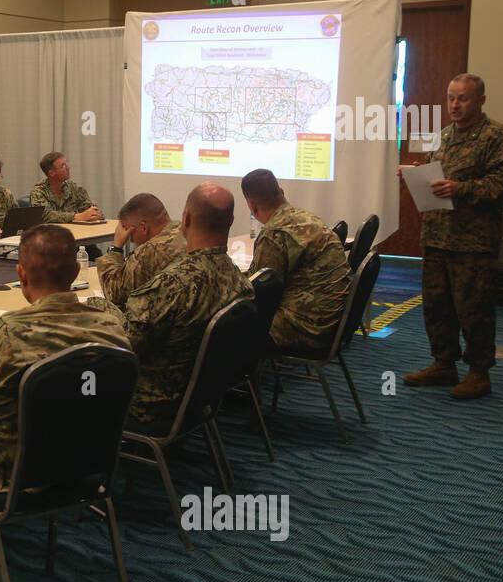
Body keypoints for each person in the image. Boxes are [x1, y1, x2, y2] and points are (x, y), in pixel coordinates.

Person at [0, 224, 129, 493]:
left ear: (21, 274)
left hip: (10, 466)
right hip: (85, 460)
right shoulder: (112, 326)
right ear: (77, 270)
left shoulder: (8, 333)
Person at [404, 74, 503, 399]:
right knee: (437, 307)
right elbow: (437, 173)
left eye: (463, 99)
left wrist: (462, 189)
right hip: (437, 237)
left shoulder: (498, 137)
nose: (455, 105)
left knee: (474, 309)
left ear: (481, 100)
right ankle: (444, 363)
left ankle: (479, 373)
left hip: (473, 242)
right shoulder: (442, 136)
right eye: (451, 98)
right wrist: (419, 173)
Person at [112, 183, 253, 433]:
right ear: (231, 221)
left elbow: (121, 346)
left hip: (150, 403)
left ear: (185, 219)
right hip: (199, 399)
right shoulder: (238, 279)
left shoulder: (170, 286)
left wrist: (98, 309)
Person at [240, 169, 350, 352]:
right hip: (334, 320)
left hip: (306, 328)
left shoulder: (274, 233)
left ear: (252, 206)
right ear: (282, 192)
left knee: (218, 329)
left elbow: (257, 292)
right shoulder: (310, 219)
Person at [98, 193, 186, 307]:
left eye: (130, 233)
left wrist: (116, 247)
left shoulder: (151, 250)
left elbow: (113, 294)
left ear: (144, 227)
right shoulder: (188, 233)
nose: (132, 240)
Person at [30, 151, 102, 224]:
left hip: (75, 232)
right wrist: (76, 217)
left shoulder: (75, 188)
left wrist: (94, 214)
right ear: (52, 173)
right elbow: (44, 215)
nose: (68, 167)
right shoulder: (39, 191)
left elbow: (92, 210)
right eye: (63, 166)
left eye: (66, 163)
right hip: (49, 233)